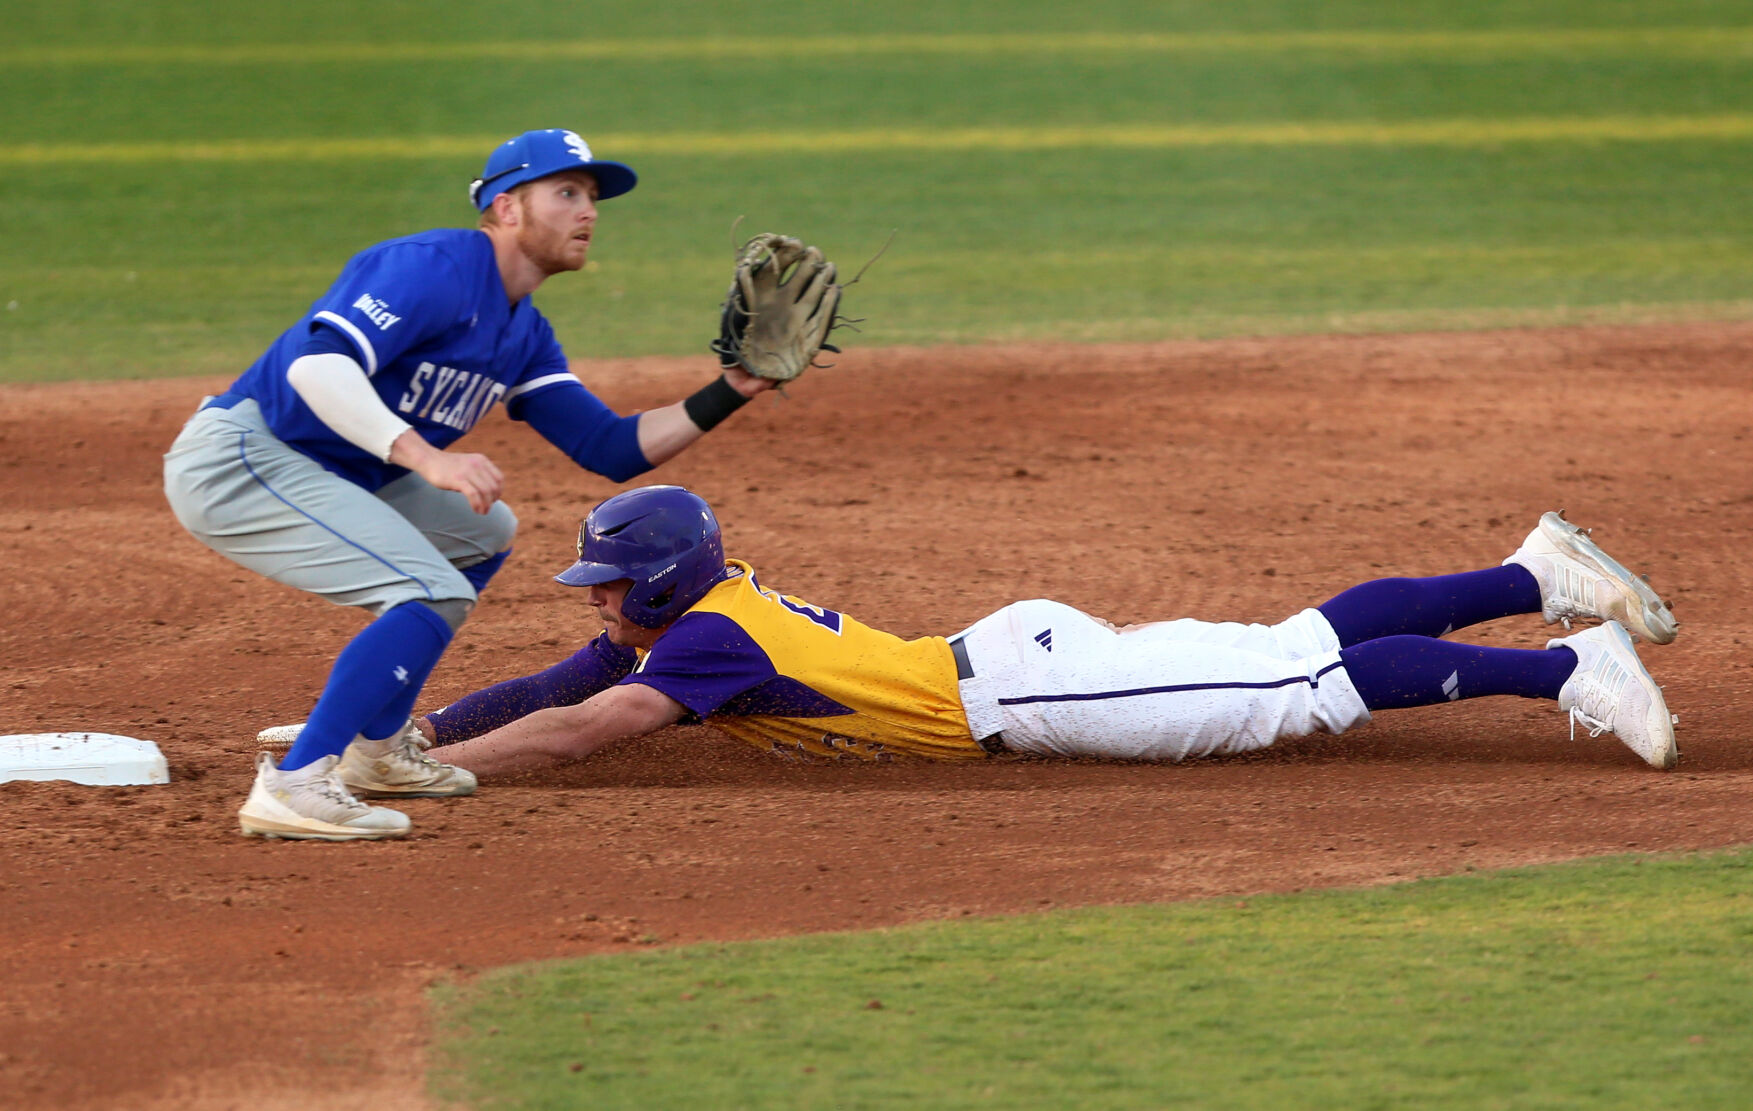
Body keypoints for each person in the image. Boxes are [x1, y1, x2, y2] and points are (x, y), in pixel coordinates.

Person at [166, 130, 785, 841]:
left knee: (483, 533)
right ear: (505, 206)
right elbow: (317, 367)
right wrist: (426, 458)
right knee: (430, 589)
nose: (587, 212)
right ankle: (297, 782)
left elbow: (609, 447)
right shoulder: (434, 268)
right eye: (566, 193)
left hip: (333, 469)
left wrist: (731, 389)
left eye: (591, 198)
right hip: (245, 455)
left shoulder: (522, 330)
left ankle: (379, 751)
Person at [284, 486, 1678, 779]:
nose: (592, 602)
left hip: (1032, 689)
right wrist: (395, 733)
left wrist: (440, 775)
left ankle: (1567, 655)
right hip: (1014, 665)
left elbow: (593, 723)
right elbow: (552, 680)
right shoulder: (693, 611)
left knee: (1293, 679)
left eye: (604, 582)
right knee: (1285, 641)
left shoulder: (702, 638)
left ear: (654, 581)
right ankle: (1527, 567)